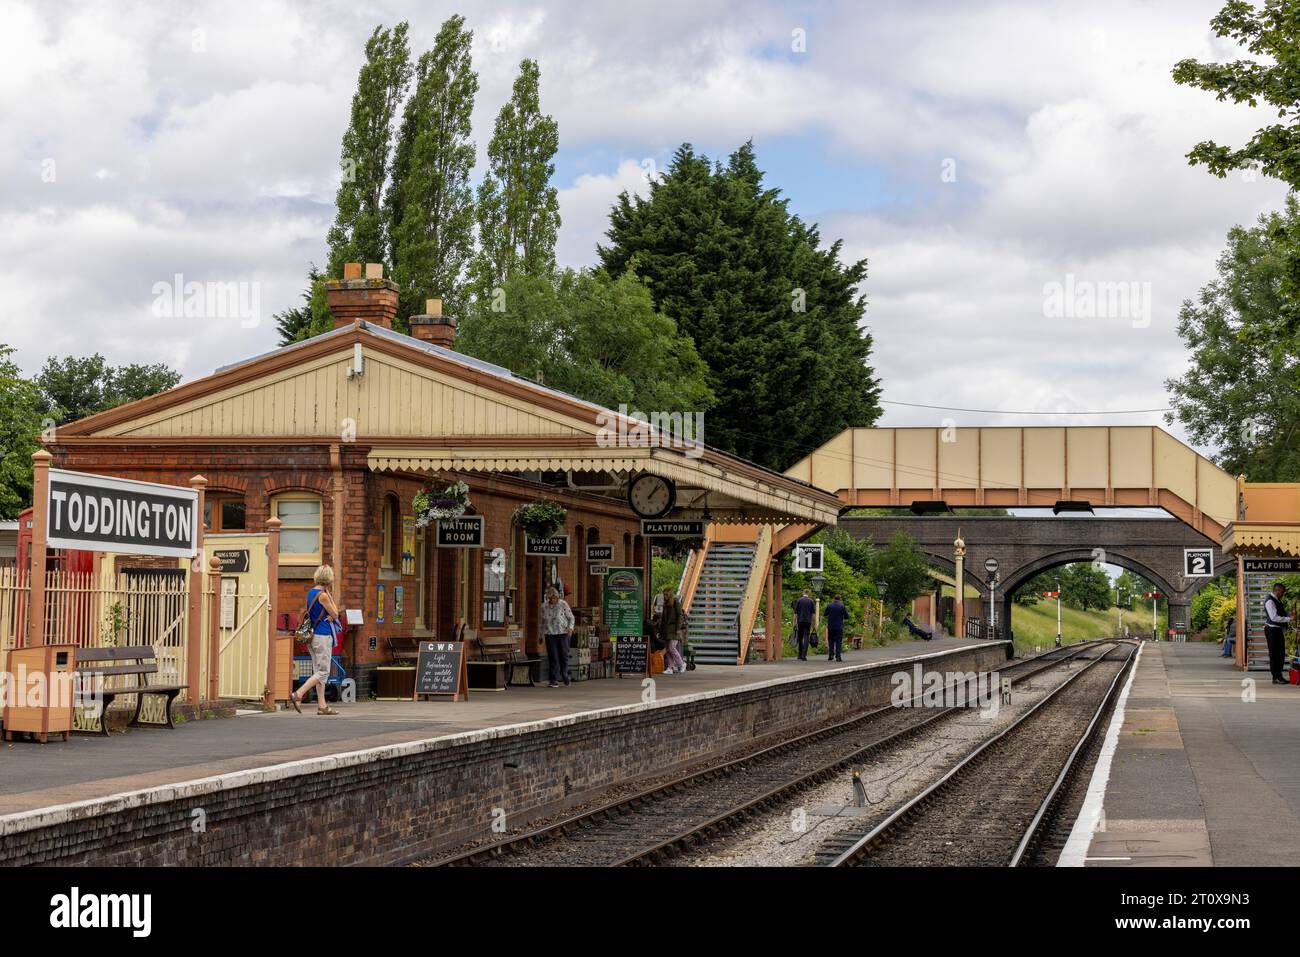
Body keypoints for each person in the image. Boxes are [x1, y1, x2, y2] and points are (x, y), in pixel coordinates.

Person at [289, 565, 341, 715]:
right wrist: (330, 599)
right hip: (323, 636)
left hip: (313, 637)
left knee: (318, 671)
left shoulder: (312, 592)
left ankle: (322, 706)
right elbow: (336, 614)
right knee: (323, 672)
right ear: (329, 579)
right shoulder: (324, 595)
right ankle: (298, 694)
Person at [541, 586, 575, 688]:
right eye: (550, 598)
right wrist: (540, 635)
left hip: (563, 633)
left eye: (554, 598)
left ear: (557, 597)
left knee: (563, 655)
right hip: (550, 634)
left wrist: (570, 628)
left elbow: (571, 618)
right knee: (553, 657)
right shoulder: (543, 607)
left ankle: (564, 674)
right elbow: (541, 622)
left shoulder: (563, 604)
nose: (552, 600)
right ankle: (553, 680)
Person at [1264, 582, 1293, 685]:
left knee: (1280, 654)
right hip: (1272, 630)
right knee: (1274, 654)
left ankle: (1279, 676)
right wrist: (1289, 619)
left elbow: (1280, 613)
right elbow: (1274, 617)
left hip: (1276, 629)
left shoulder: (1276, 600)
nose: (1283, 594)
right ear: (1277, 590)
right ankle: (1275, 677)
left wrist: (1288, 615)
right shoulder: (1270, 601)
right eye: (1282, 592)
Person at [657, 588, 687, 674]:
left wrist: (678, 628)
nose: (664, 596)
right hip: (666, 629)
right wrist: (660, 630)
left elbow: (680, 616)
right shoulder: (665, 604)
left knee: (671, 647)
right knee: (668, 648)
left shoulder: (676, 603)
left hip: (674, 629)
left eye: (666, 595)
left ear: (670, 595)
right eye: (664, 595)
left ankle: (681, 663)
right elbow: (663, 619)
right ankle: (670, 668)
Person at [823, 594, 848, 662]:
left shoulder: (829, 605)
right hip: (839, 626)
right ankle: (838, 656)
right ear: (840, 599)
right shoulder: (842, 606)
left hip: (830, 626)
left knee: (830, 640)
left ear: (834, 598)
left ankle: (831, 655)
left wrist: (829, 617)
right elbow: (846, 616)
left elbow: (825, 614)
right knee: (838, 641)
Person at [794, 589, 816, 661]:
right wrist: (814, 623)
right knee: (806, 637)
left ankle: (799, 655)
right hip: (808, 621)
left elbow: (795, 613)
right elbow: (813, 614)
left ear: (803, 593)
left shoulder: (799, 600)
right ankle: (804, 655)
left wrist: (794, 622)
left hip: (800, 621)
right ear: (808, 593)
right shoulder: (811, 601)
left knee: (800, 637)